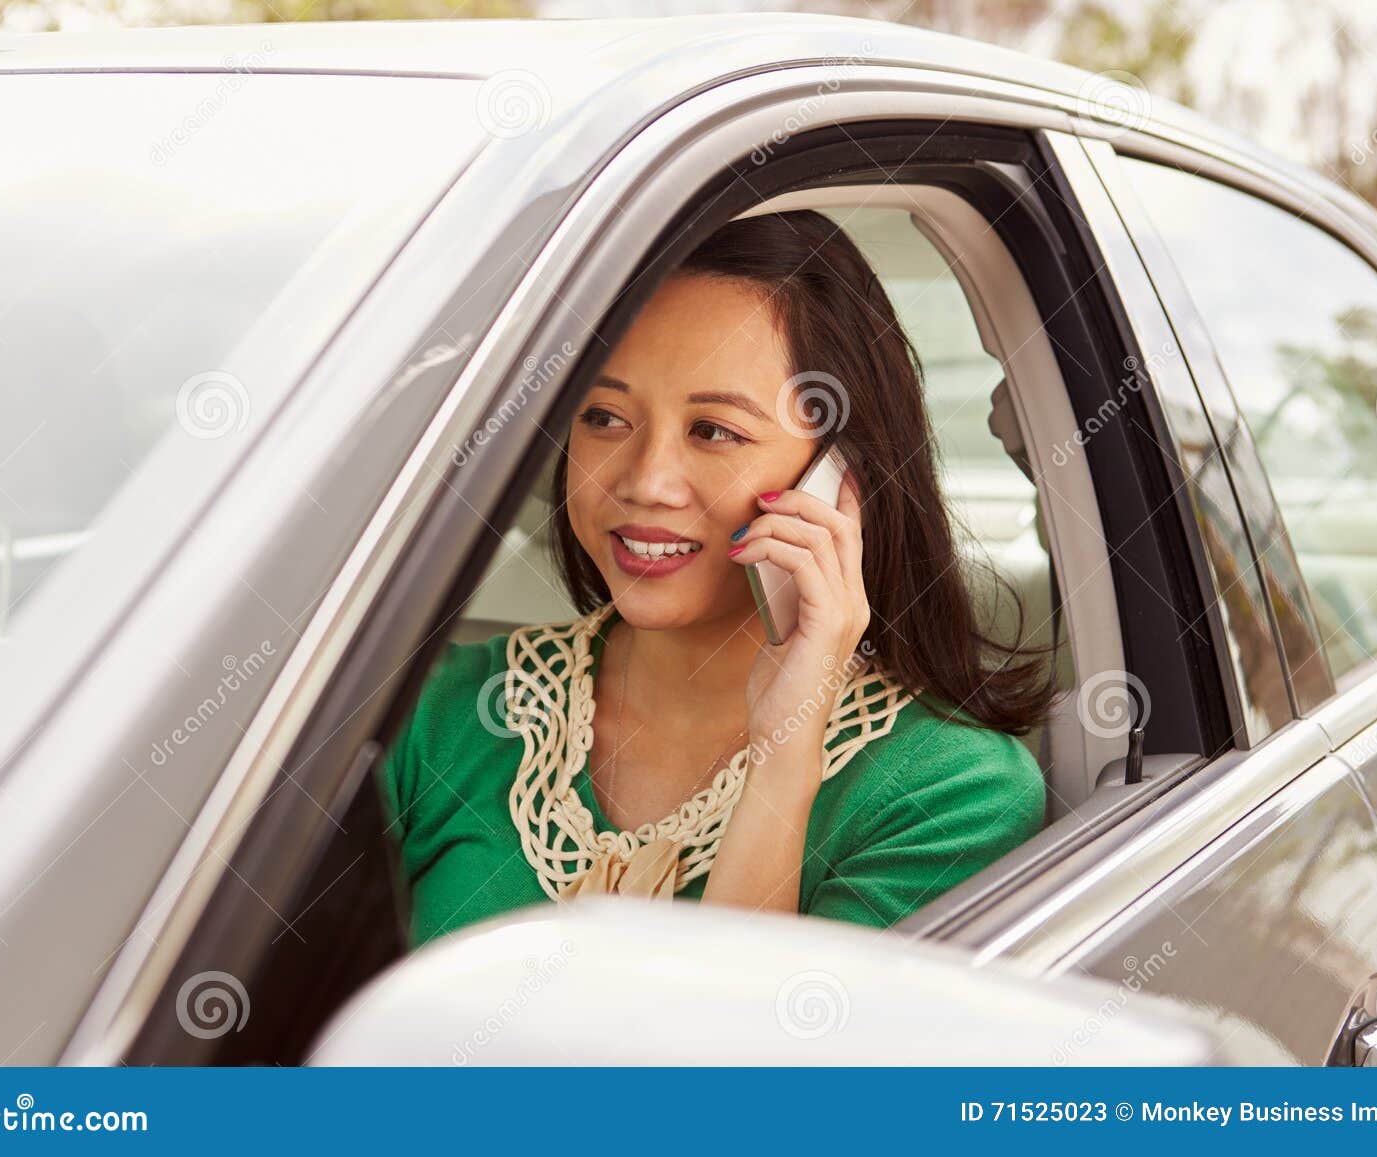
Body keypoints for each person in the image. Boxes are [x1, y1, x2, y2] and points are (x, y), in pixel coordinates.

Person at [380, 209, 1056, 950]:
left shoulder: (950, 791)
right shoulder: (436, 707)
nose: (646, 481)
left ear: (839, 480)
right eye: (603, 416)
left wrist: (784, 752)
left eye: (714, 431)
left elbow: (738, 1058)